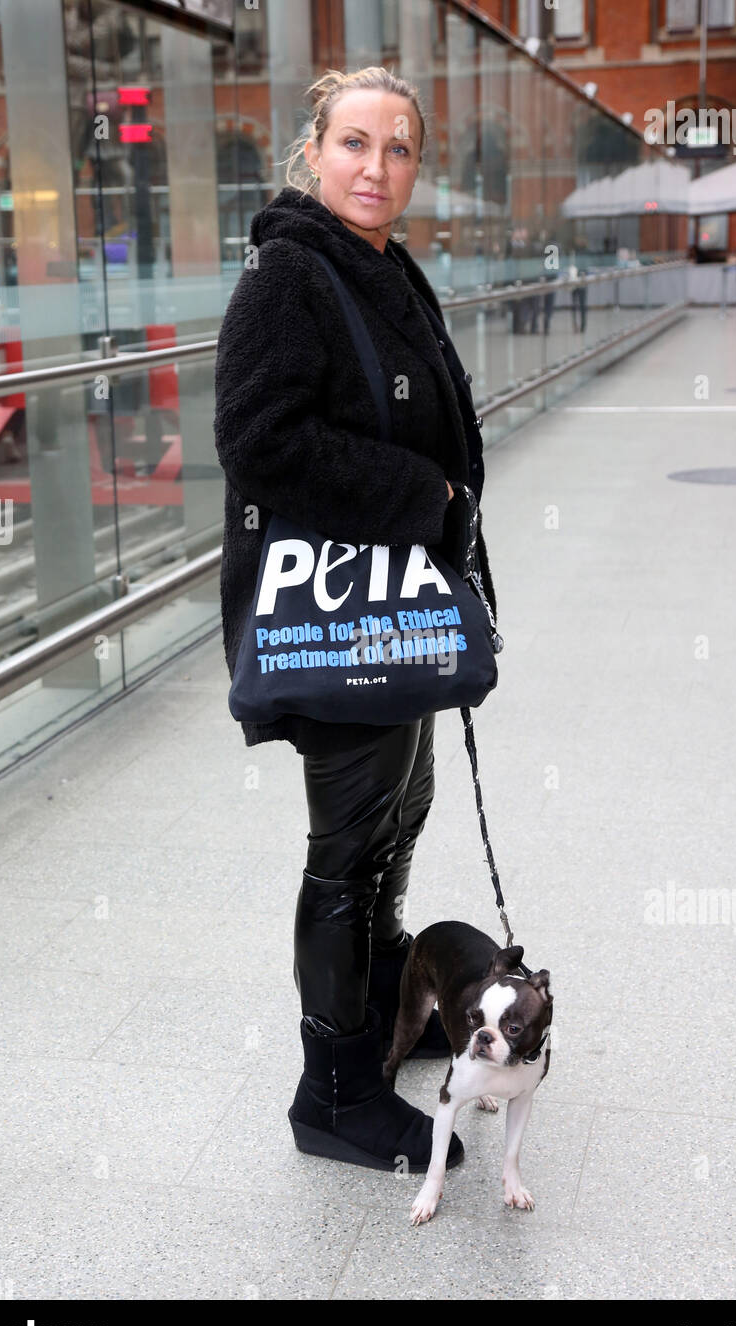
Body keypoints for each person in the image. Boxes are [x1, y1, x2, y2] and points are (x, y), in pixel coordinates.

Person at [213, 67, 497, 1174]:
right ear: (312, 153)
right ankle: (332, 1090)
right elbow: (260, 439)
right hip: (339, 620)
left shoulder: (379, 264)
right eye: (354, 143)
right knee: (345, 851)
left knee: (398, 813)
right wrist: (421, 499)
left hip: (395, 615)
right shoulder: (291, 273)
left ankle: (383, 1003)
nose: (377, 167)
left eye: (399, 148)